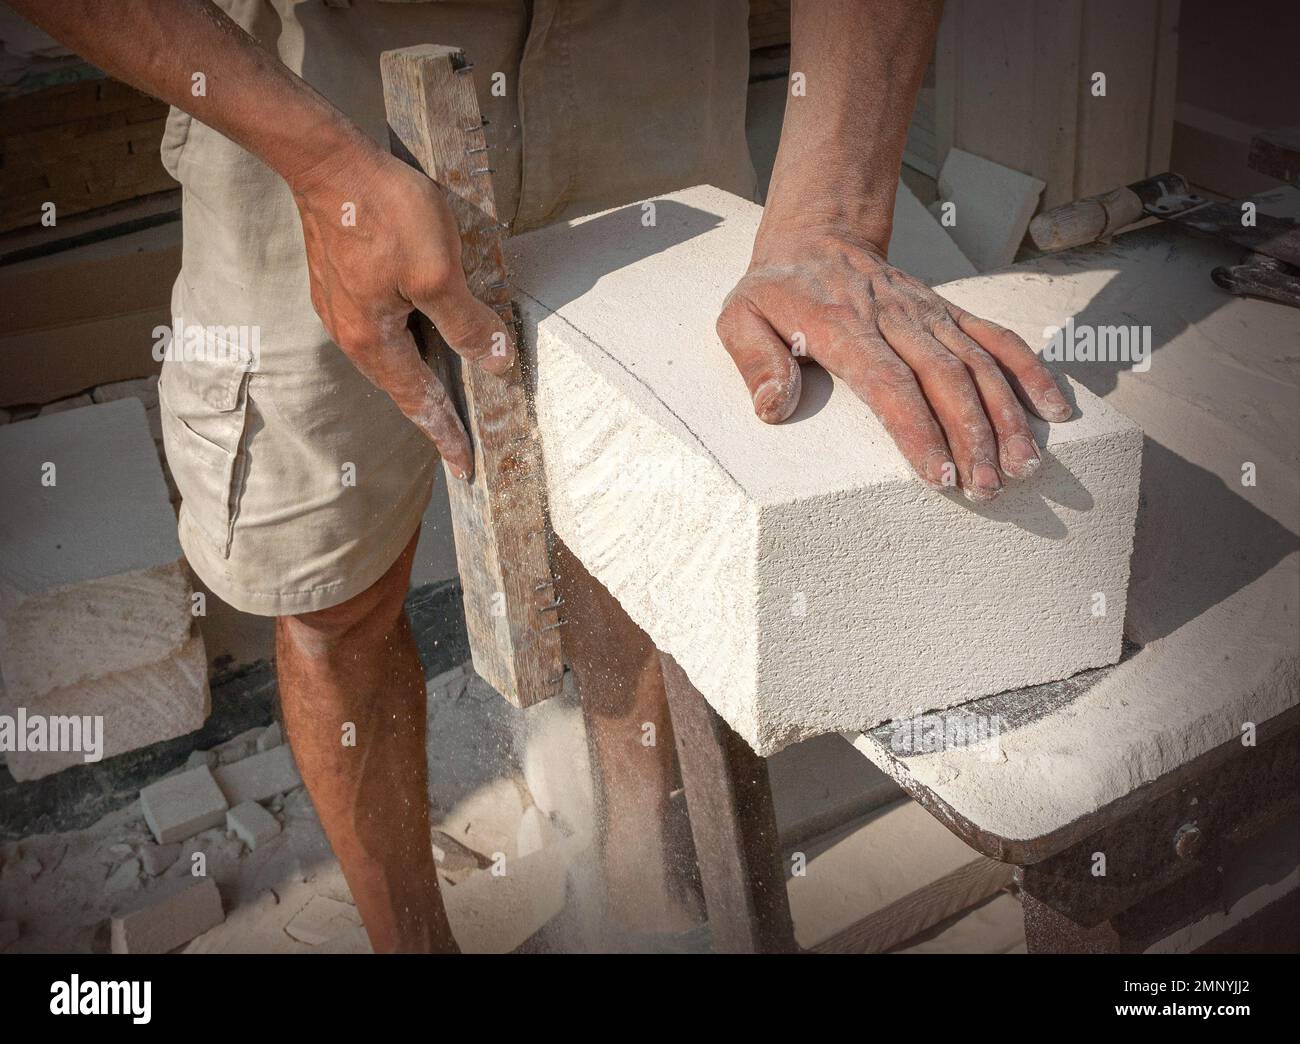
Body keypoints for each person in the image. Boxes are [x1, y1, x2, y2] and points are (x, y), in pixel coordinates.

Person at [13, 0, 1071, 952]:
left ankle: (641, 910)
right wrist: (326, 168)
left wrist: (831, 218)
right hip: (306, 66)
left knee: (644, 519)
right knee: (333, 592)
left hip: (643, 39)